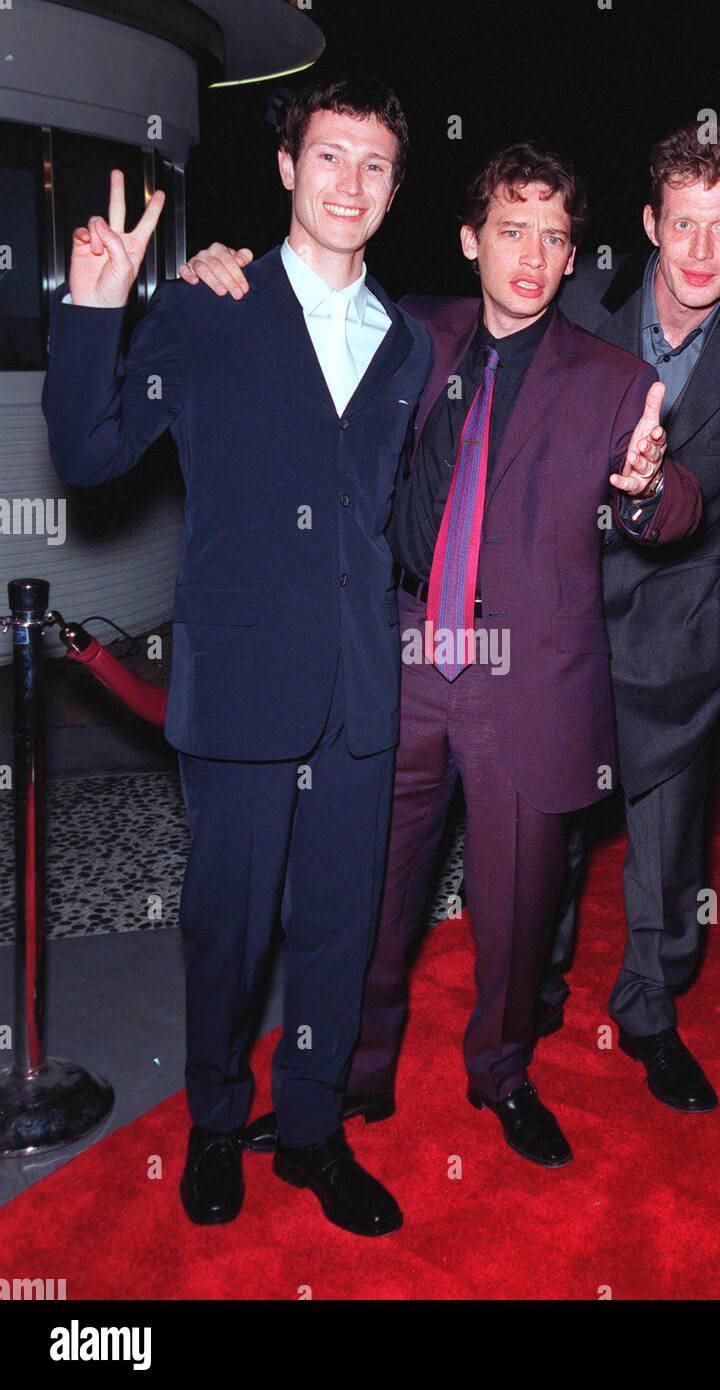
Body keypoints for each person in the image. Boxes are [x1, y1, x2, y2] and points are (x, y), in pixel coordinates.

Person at [181, 143, 702, 1166]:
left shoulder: (613, 378)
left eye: (555, 237)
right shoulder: (408, 333)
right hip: (402, 660)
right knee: (367, 895)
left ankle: (503, 1075)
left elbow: (676, 506)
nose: (534, 254)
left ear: (569, 259)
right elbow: (303, 313)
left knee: (515, 913)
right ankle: (349, 1075)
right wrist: (216, 274)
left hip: (529, 686)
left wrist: (642, 482)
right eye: (513, 228)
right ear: (472, 240)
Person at [42, 78, 432, 1237]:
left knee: (337, 929)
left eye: (374, 165)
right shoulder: (213, 303)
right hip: (241, 685)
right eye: (329, 157)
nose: (349, 183)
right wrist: (95, 310)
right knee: (230, 927)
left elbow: (389, 507)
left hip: (359, 691)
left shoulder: (406, 341)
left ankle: (309, 1133)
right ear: (286, 169)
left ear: (395, 187)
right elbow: (90, 448)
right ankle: (217, 1120)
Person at [545, 122, 720, 1112]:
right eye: (683, 224)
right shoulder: (579, 302)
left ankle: (651, 1016)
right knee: (551, 828)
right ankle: (538, 984)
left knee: (666, 852)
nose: (701, 251)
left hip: (683, 637)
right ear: (651, 222)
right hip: (560, 625)